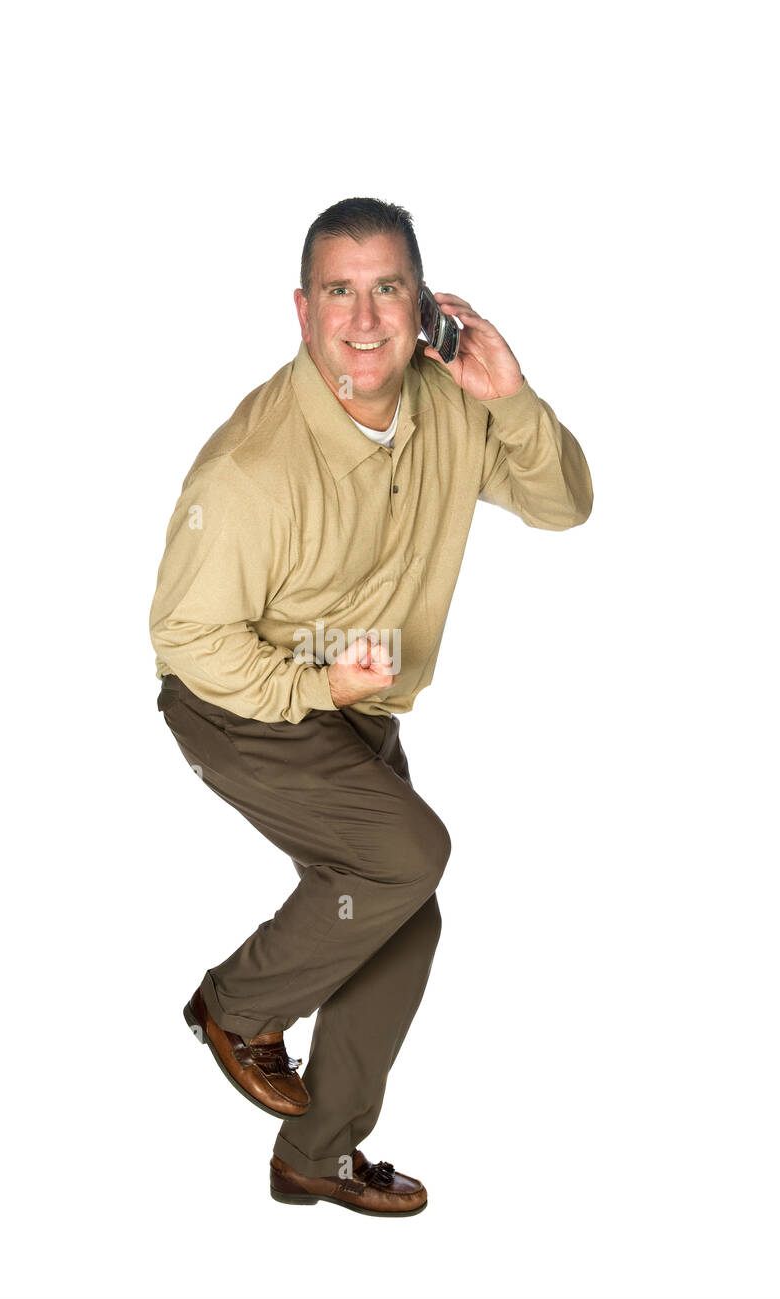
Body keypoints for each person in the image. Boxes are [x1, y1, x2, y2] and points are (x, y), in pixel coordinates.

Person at [149, 196, 593, 1217]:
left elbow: (564, 504)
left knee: (402, 921)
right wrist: (313, 685)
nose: (363, 318)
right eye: (339, 293)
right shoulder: (251, 470)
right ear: (301, 313)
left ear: (423, 304)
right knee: (407, 855)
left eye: (386, 288)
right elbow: (184, 643)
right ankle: (237, 1002)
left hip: (351, 708)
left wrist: (513, 399)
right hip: (236, 707)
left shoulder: (447, 404)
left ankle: (314, 1154)